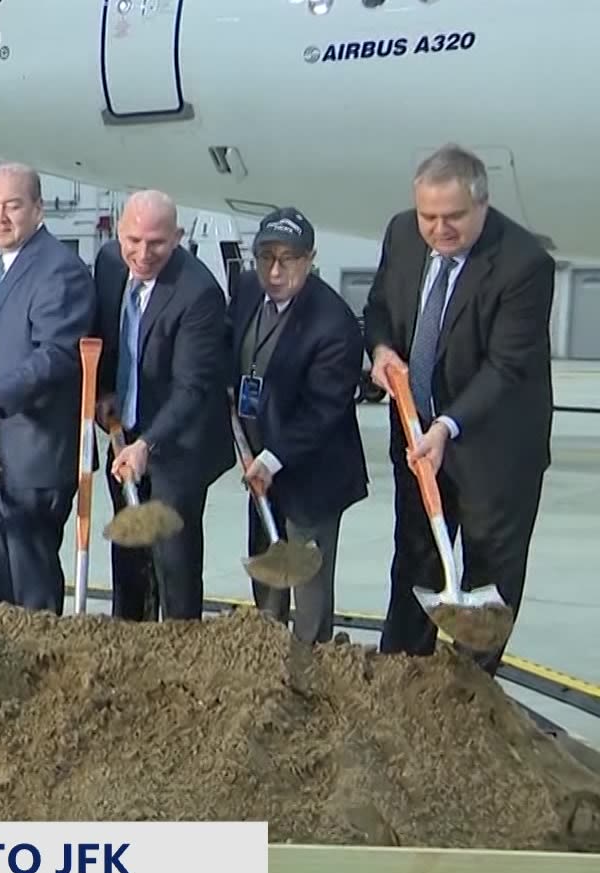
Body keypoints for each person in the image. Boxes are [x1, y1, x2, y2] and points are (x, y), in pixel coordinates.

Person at [364, 144, 556, 672]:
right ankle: (401, 676)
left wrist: (447, 426)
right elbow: (380, 307)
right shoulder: (403, 234)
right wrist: (381, 351)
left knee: (487, 577)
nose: (439, 229)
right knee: (415, 561)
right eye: (430, 216)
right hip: (417, 438)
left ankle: (471, 697)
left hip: (495, 451)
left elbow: (506, 366)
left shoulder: (523, 264)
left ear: (482, 206)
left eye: (454, 217)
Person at [0, 162, 95, 614]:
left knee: (30, 592)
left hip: (34, 457)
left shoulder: (60, 271)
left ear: (39, 209)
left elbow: (55, 355)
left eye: (12, 206)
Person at [91, 189, 234, 622]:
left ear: (178, 237)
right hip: (127, 428)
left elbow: (192, 387)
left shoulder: (198, 293)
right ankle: (130, 635)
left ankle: (180, 640)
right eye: (133, 240)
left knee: (174, 559)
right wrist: (103, 392)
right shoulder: (110, 263)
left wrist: (148, 445)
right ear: (119, 233)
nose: (142, 253)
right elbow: (107, 334)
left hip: (181, 444)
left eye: (156, 243)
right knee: (129, 545)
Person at [228, 208, 368, 644]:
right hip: (260, 464)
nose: (275, 270)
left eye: (288, 258)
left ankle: (312, 661)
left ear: (309, 259)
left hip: (312, 473)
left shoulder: (334, 323)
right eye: (265, 256)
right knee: (267, 564)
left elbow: (322, 411)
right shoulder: (248, 290)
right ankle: (270, 651)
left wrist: (271, 459)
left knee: (308, 582)